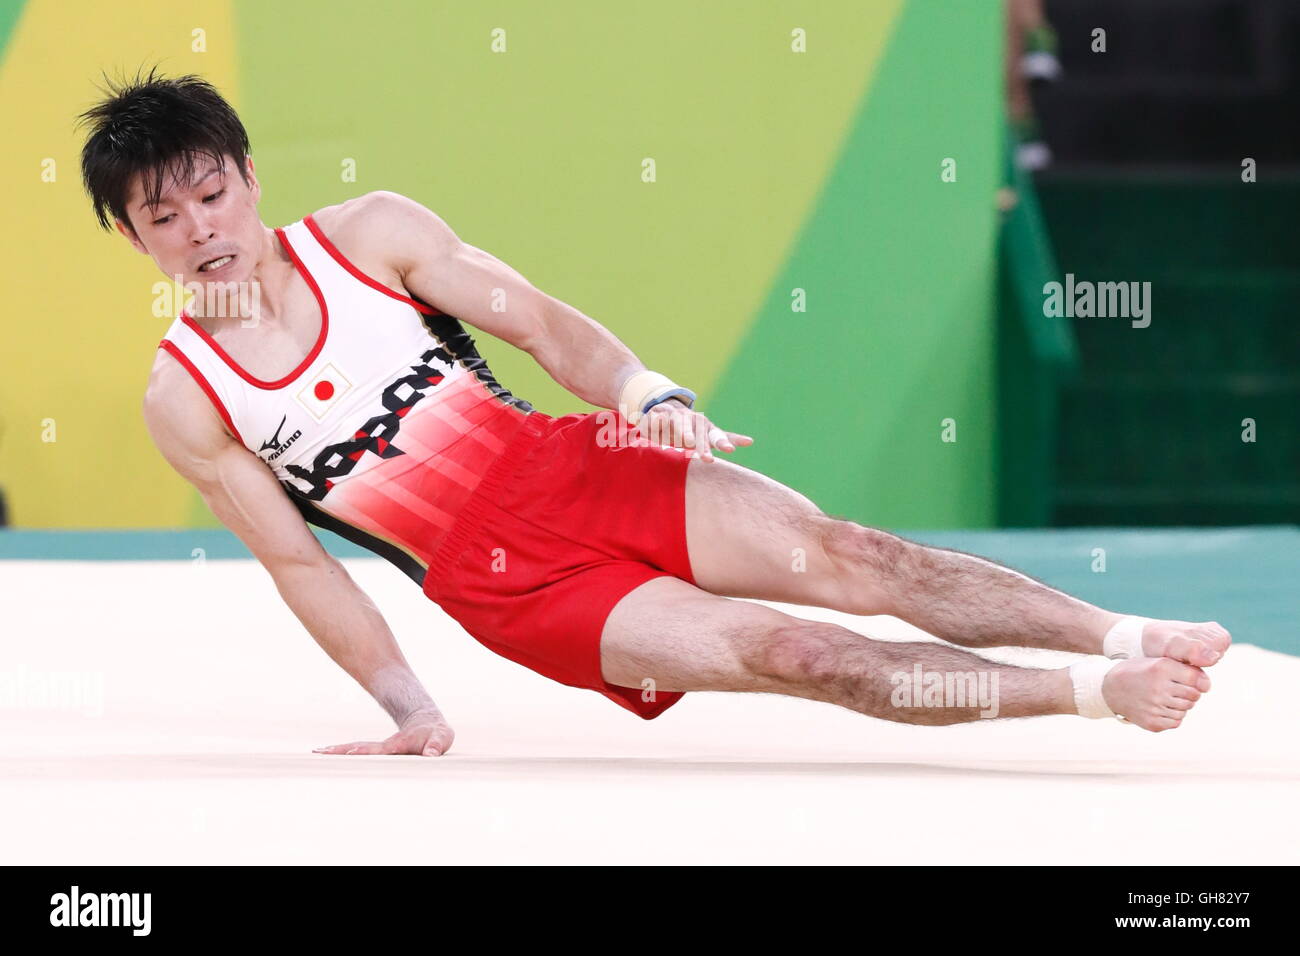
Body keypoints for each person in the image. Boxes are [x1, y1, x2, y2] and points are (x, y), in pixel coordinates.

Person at [78, 70, 1230, 757]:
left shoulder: (371, 235)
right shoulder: (184, 397)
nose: (200, 229)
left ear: (246, 174)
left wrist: (645, 392)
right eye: (162, 217)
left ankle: (1122, 633)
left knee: (853, 555)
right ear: (131, 239)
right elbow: (304, 566)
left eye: (210, 192)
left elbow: (539, 323)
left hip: (578, 463)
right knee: (799, 651)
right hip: (510, 587)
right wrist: (408, 703)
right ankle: (1096, 694)